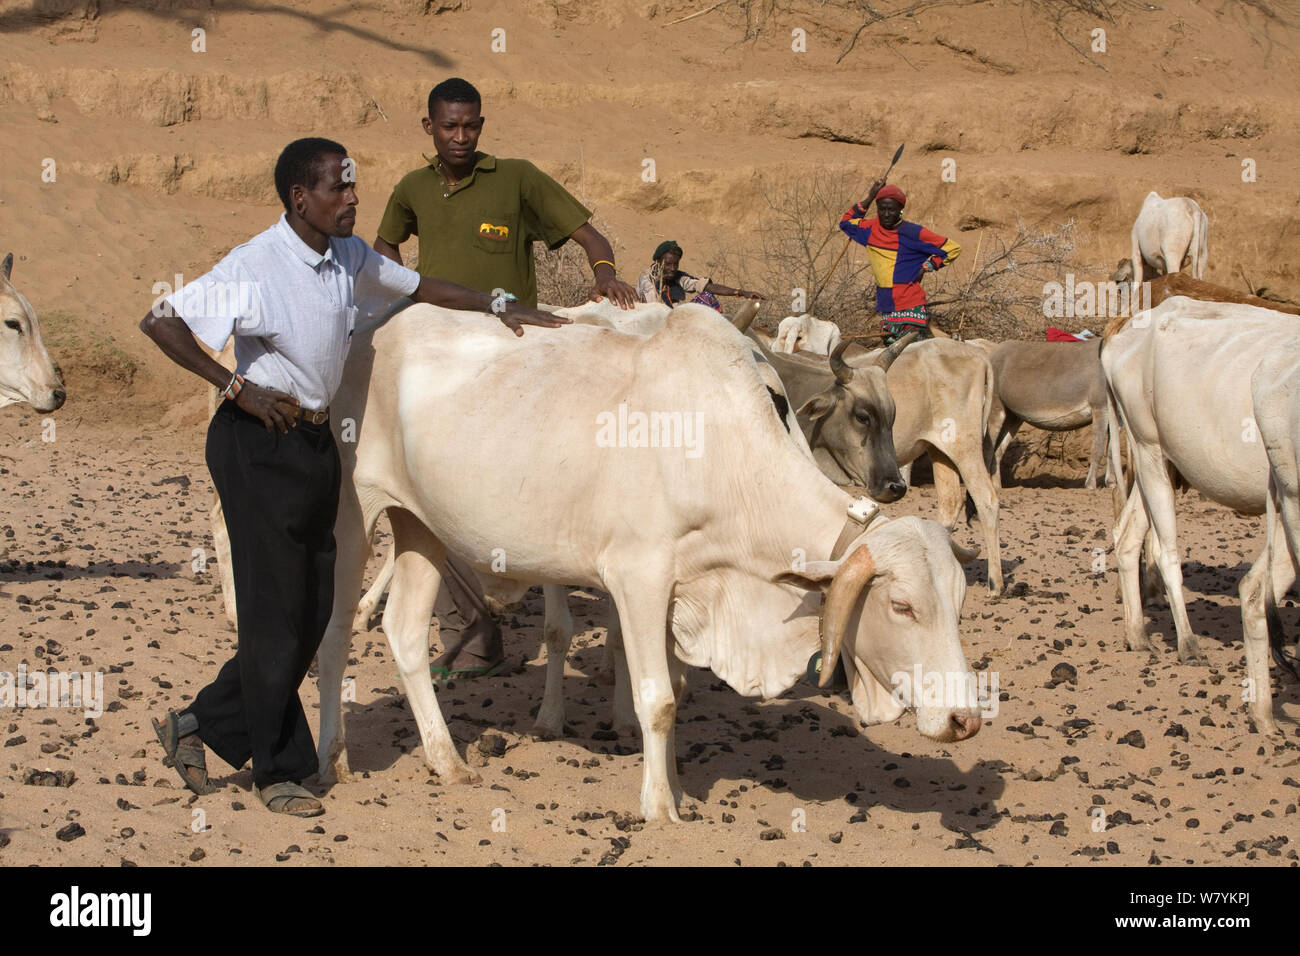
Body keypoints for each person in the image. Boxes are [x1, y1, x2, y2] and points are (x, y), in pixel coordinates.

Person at [142, 137, 566, 817]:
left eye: (353, 185)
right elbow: (160, 320)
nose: (353, 198)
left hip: (315, 440)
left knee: (313, 611)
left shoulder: (347, 255)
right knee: (275, 616)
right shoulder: (255, 265)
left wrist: (498, 304)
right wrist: (234, 386)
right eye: (339, 188)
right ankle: (279, 772)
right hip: (256, 444)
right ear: (298, 199)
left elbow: (422, 285)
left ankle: (194, 724)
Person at [373, 77, 637, 681]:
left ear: (481, 125)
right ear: (430, 128)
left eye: (471, 125)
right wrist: (397, 297)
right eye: (449, 126)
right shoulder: (411, 187)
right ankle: (474, 631)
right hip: (437, 358)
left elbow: (590, 236)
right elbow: (383, 246)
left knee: (514, 481)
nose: (461, 137)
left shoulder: (517, 177)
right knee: (432, 488)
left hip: (512, 354)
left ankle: (508, 601)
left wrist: (603, 275)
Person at [839, 180, 960, 345]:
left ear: (900, 210)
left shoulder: (913, 232)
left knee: (912, 356)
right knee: (892, 357)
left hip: (910, 305)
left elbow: (952, 248)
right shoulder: (869, 229)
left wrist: (926, 267)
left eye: (891, 210)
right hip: (886, 305)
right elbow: (845, 223)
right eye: (882, 209)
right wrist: (870, 197)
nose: (886, 214)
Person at [636, 241, 765, 310]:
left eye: (676, 264)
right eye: (668, 264)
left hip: (673, 318)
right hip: (655, 321)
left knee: (707, 297)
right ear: (658, 262)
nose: (673, 268)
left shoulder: (678, 277)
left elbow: (707, 287)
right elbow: (654, 308)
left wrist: (741, 292)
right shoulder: (647, 279)